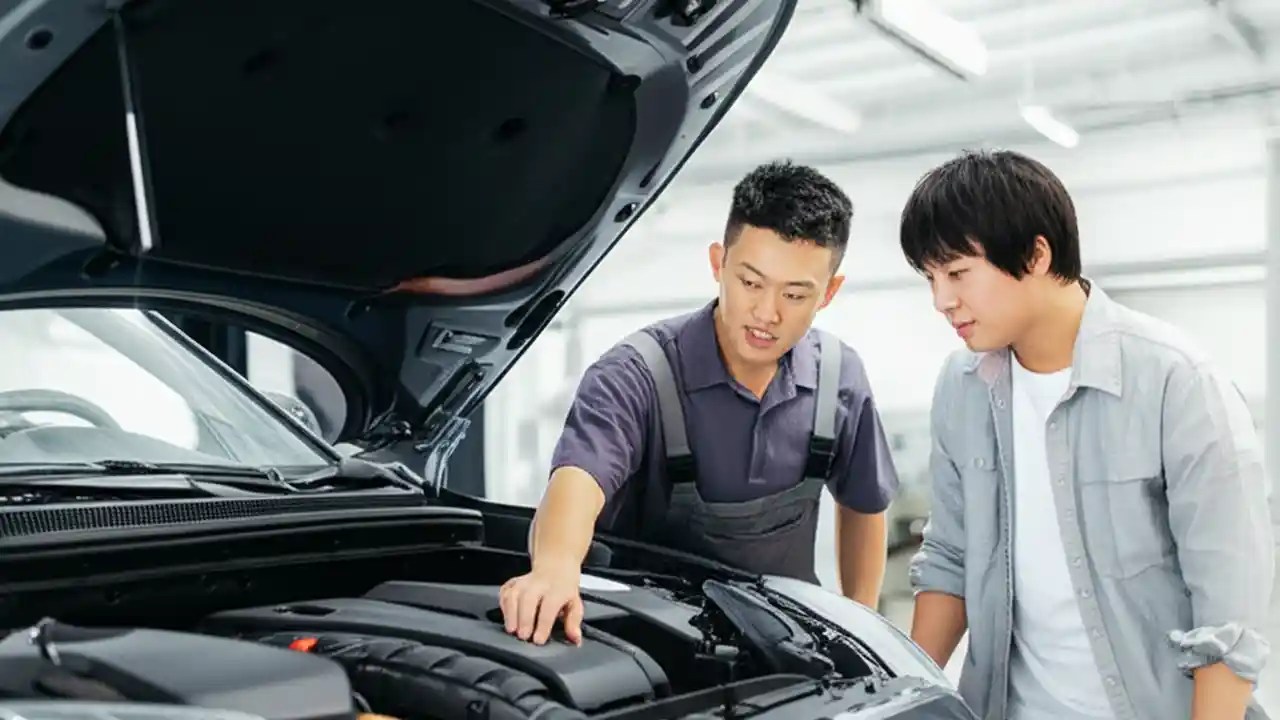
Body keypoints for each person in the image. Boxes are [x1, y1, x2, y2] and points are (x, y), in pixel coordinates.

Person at [903, 149, 1274, 720]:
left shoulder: (1175, 381)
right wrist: (899, 699)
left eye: (956, 273)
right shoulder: (963, 385)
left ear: (1036, 255)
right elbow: (950, 557)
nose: (940, 300)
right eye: (930, 278)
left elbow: (1229, 616)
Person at [499, 160, 901, 646]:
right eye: (750, 282)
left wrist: (861, 625)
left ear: (829, 293)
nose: (767, 313)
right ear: (718, 263)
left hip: (785, 653)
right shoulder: (636, 374)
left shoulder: (839, 377)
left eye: (795, 295)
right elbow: (577, 482)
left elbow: (864, 505)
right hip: (651, 648)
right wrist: (555, 568)